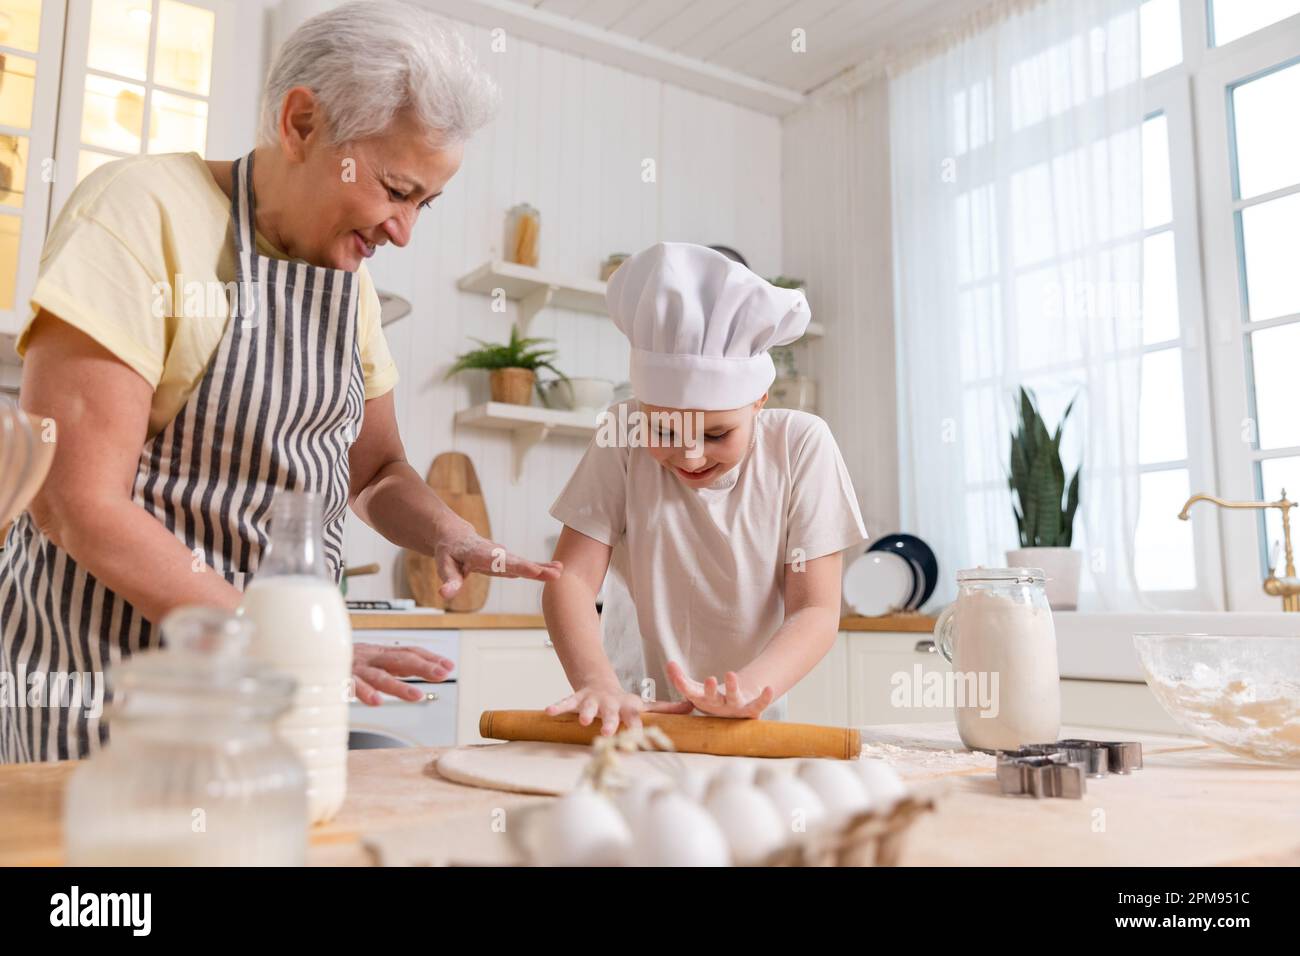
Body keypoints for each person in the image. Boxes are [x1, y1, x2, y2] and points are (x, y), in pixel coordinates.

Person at [0, 1, 560, 763]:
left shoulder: (349, 282)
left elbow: (377, 470)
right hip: (117, 702)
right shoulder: (141, 212)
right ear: (300, 124)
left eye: (425, 204)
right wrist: (280, 646)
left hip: (278, 706)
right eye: (395, 190)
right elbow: (74, 502)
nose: (404, 231)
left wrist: (447, 534)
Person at [542, 242, 867, 734]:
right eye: (664, 432)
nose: (690, 457)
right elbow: (569, 578)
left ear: (759, 400)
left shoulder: (800, 444)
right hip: (630, 711)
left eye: (717, 434)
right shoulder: (622, 432)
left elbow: (815, 609)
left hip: (748, 720)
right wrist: (596, 682)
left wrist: (745, 691)